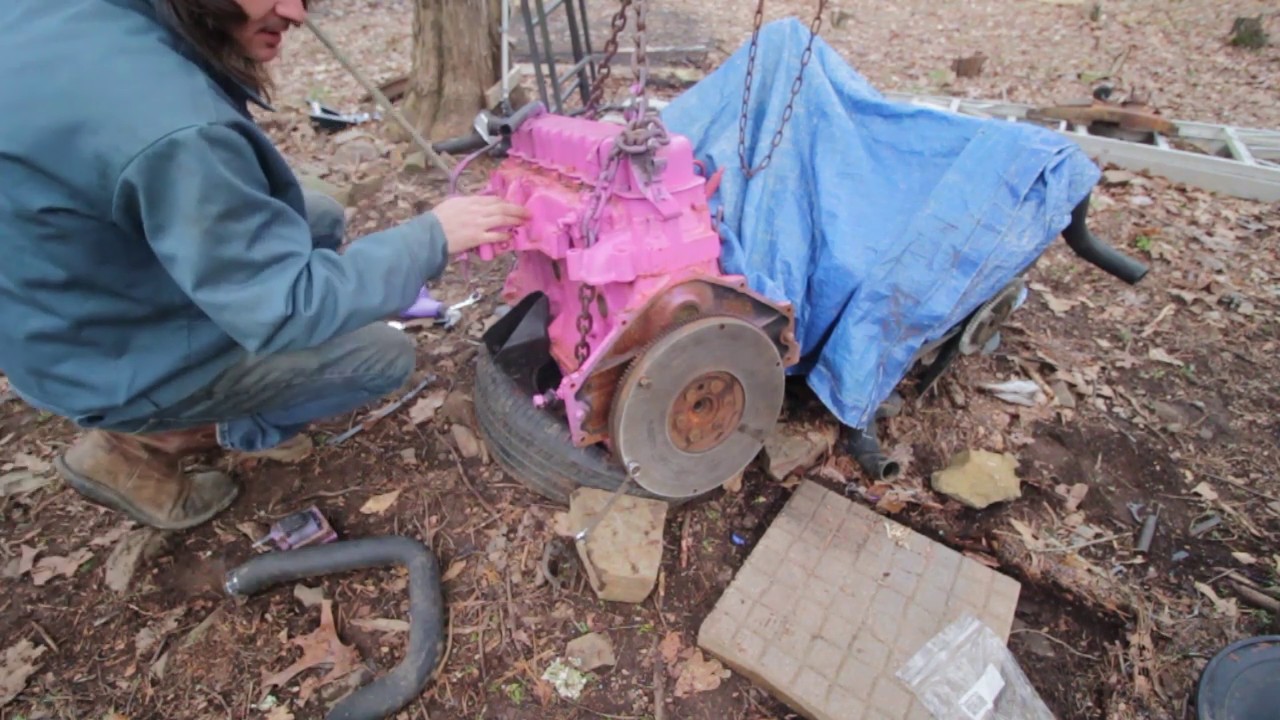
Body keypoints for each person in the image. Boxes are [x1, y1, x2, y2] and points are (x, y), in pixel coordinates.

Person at [0, 0, 529, 531]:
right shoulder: (173, 126)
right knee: (382, 356)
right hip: (100, 361)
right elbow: (285, 308)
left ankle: (229, 377)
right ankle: (150, 441)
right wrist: (429, 238)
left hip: (58, 305)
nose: (296, 14)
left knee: (315, 214)